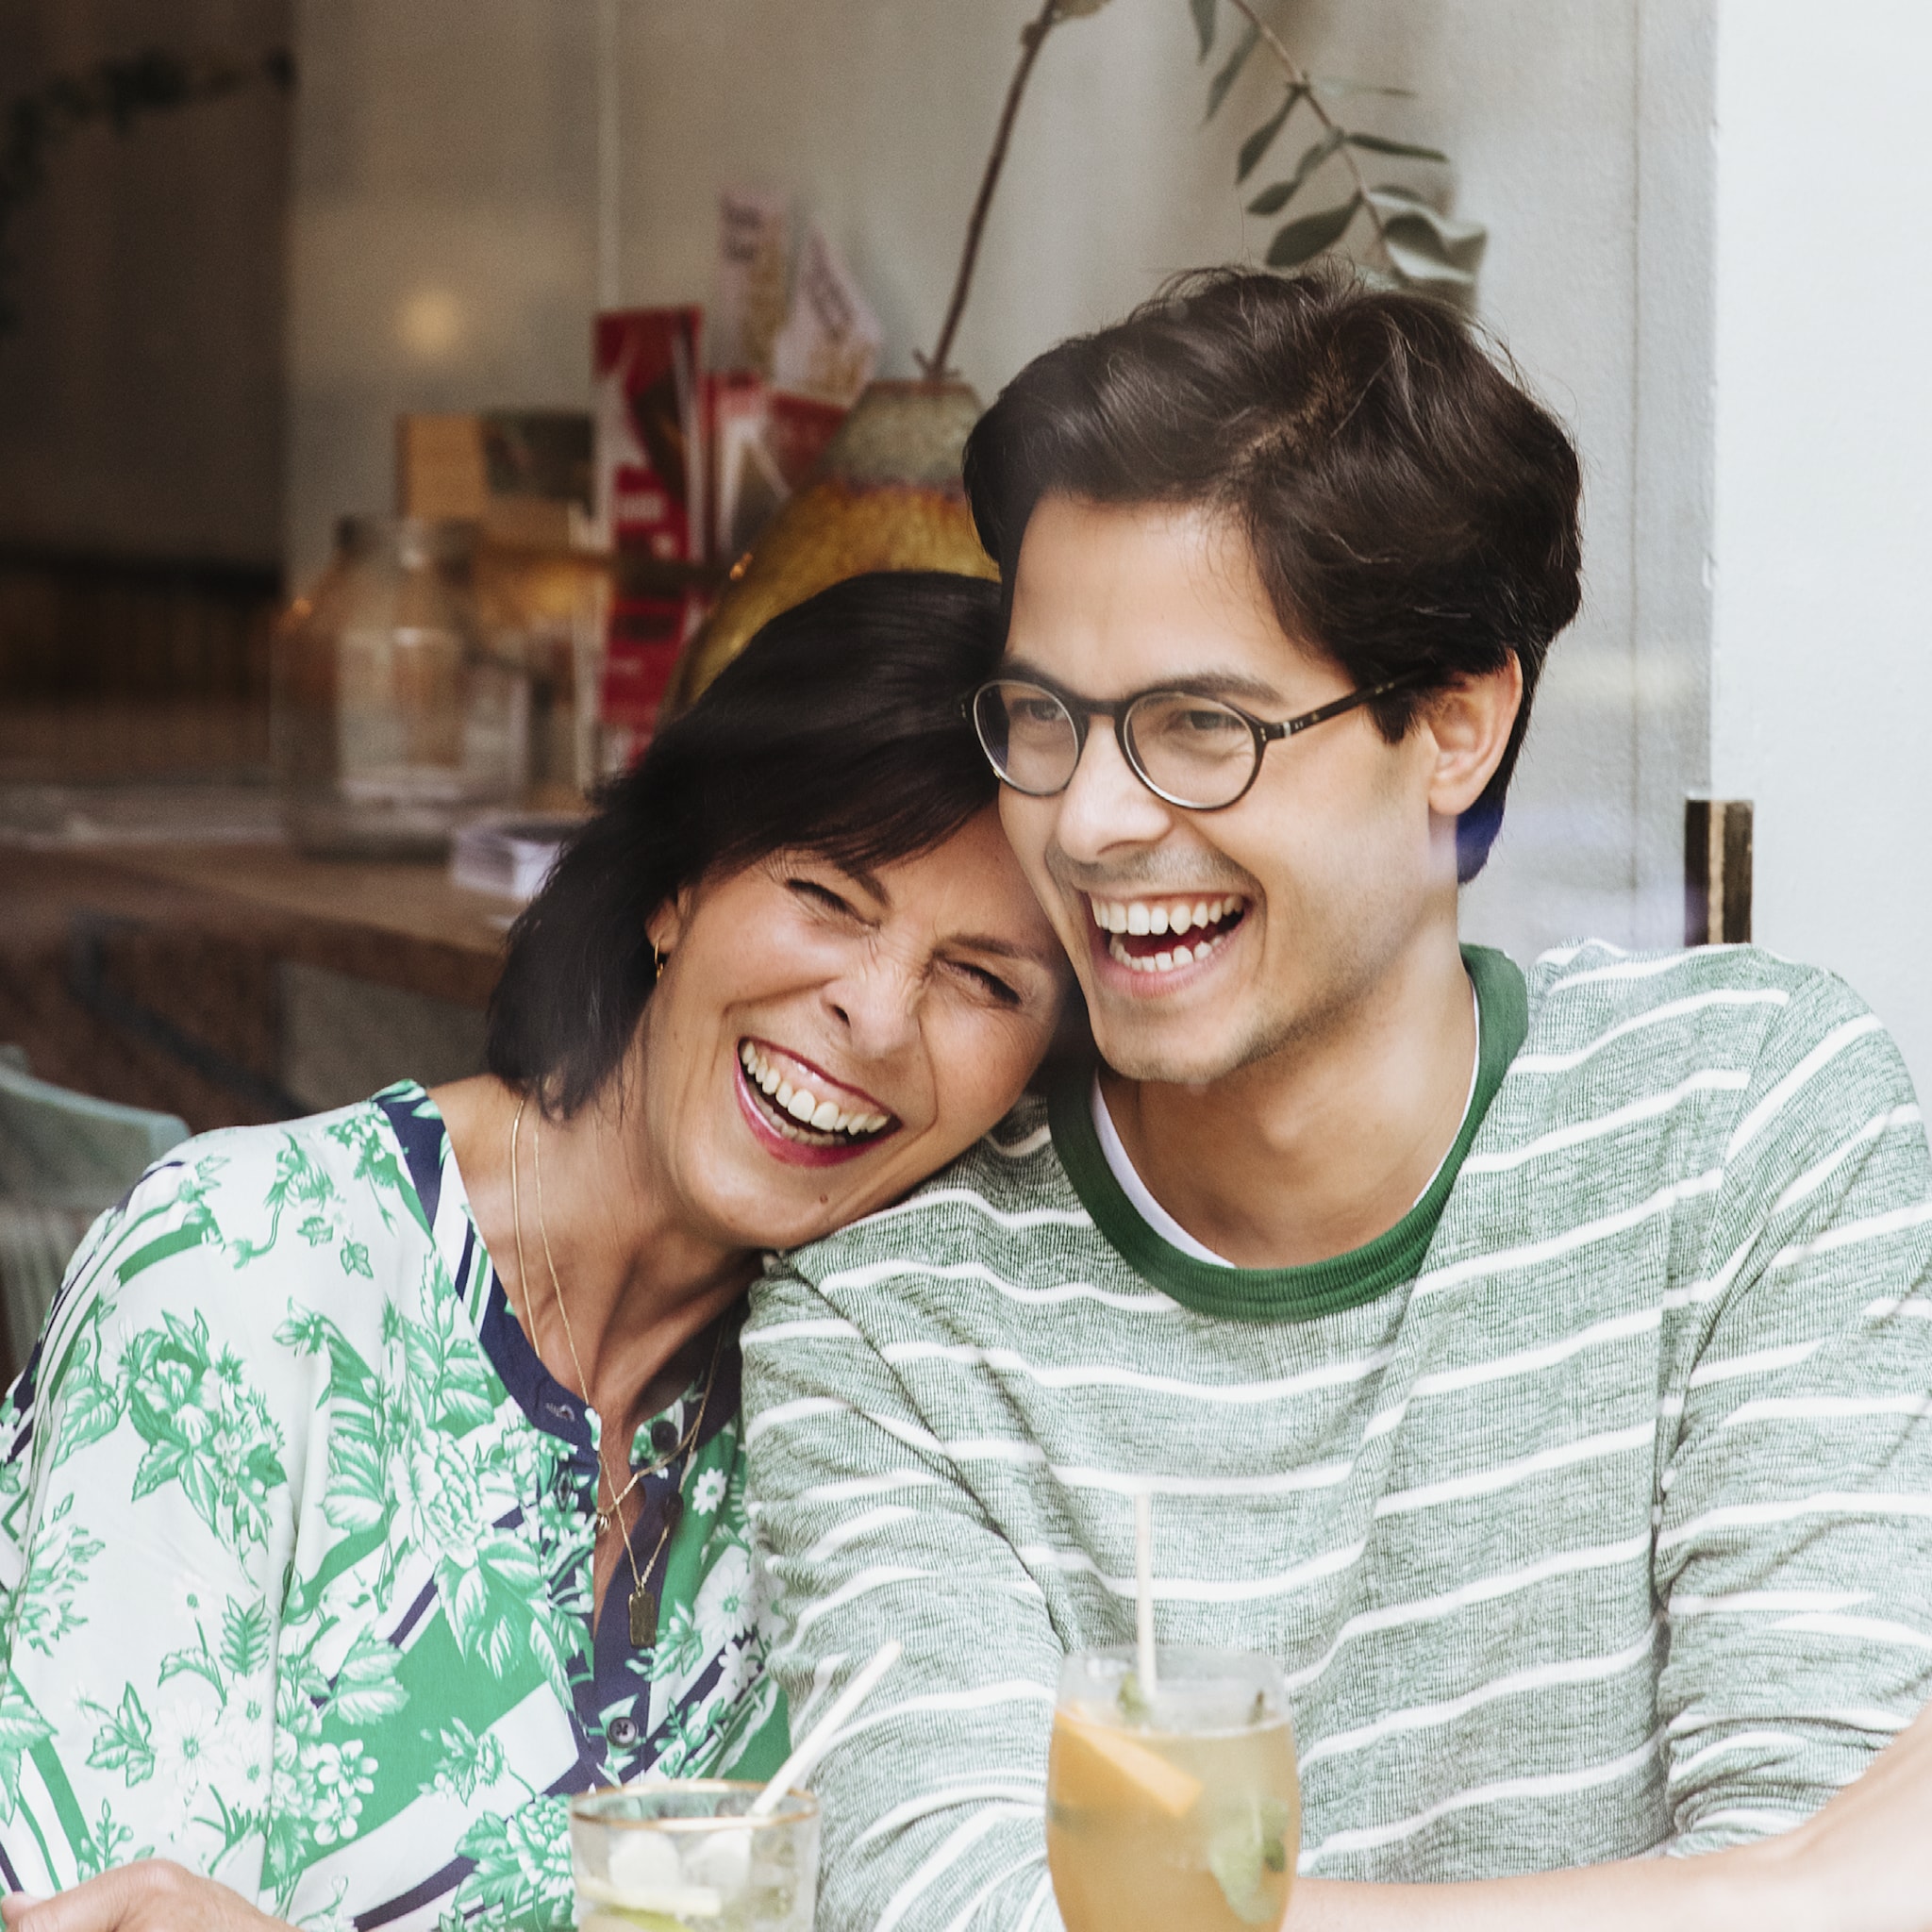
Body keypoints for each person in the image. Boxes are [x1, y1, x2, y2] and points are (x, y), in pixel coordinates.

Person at [741, 271, 1932, 1932]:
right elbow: (964, 1913)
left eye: (1198, 729)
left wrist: (1171, 1909)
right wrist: (1786, 1889)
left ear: (1454, 722)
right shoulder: (893, 1316)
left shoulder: (1747, 1126)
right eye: (1046, 720)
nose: (1087, 823)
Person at [0, 573, 1069, 1932]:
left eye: (983, 980)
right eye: (826, 894)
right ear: (680, 883)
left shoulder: (871, 1429)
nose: (872, 1013)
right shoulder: (243, 1277)